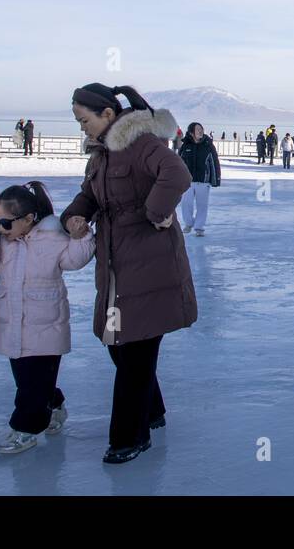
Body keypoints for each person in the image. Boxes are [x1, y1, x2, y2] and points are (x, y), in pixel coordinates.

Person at [61, 83, 196, 465]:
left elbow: (177, 174)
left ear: (107, 115)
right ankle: (151, 411)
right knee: (118, 343)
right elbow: (90, 192)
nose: (82, 128)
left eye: (84, 120)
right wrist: (74, 215)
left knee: (135, 348)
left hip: (150, 260)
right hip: (116, 260)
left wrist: (156, 213)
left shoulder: (141, 143)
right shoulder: (103, 153)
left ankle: (128, 437)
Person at [0, 181, 94, 454]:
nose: (0, 227)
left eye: (5, 222)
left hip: (47, 325)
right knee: (28, 382)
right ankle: (55, 404)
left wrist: (81, 236)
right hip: (12, 324)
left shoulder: (53, 238)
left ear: (28, 219)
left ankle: (25, 429)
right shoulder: (4, 242)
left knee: (32, 387)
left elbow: (75, 259)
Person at [177, 122, 221, 235]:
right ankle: (188, 223)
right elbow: (178, 163)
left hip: (203, 181)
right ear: (191, 132)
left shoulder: (208, 145)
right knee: (186, 204)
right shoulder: (185, 145)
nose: (200, 131)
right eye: (197, 129)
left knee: (202, 205)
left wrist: (217, 179)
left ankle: (199, 227)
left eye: (201, 129)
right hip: (187, 181)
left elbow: (214, 162)